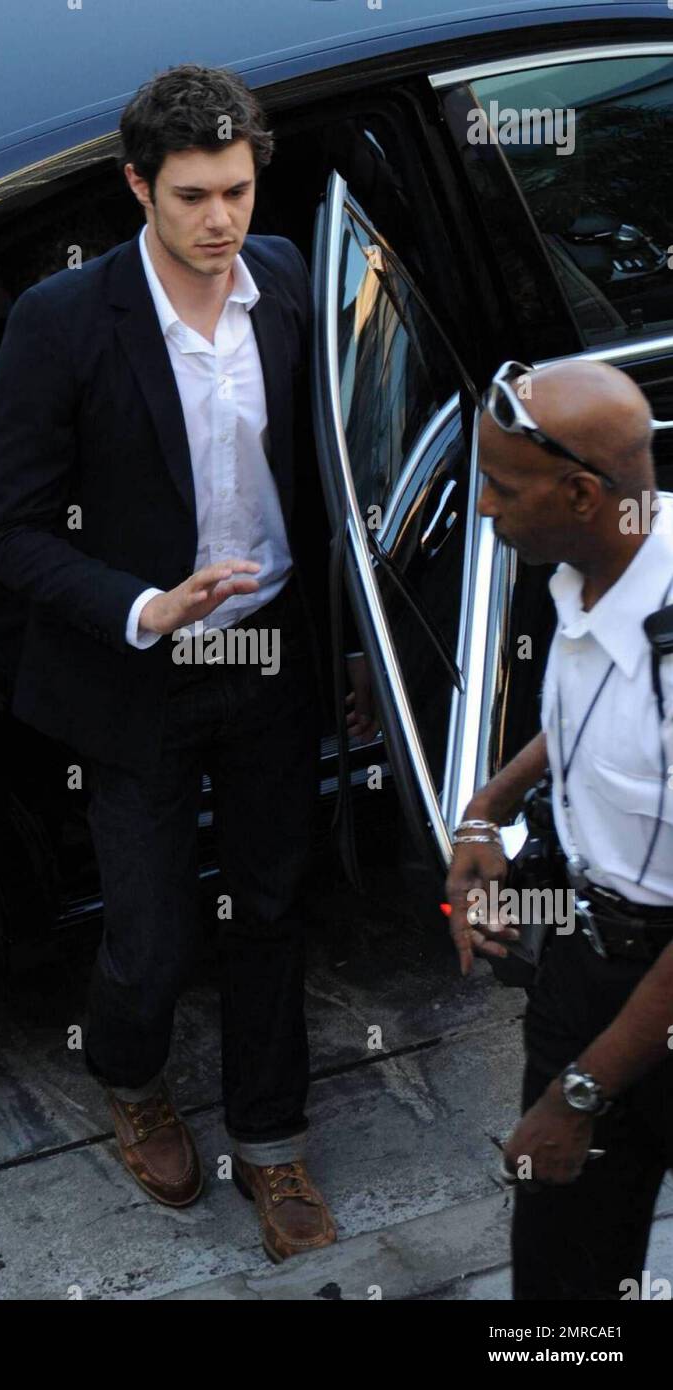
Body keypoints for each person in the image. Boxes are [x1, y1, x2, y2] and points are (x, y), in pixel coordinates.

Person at [0, 63, 375, 1263]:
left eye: (241, 191)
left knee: (270, 904)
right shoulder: (61, 322)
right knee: (148, 932)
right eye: (195, 195)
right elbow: (11, 531)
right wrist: (146, 606)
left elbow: (327, 478)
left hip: (270, 659)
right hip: (139, 672)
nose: (222, 221)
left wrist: (350, 637)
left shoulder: (294, 278)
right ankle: (133, 1079)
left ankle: (273, 1144)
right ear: (137, 187)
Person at [445, 357, 673, 1300]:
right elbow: (589, 710)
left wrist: (578, 1095)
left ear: (582, 493)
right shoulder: (598, 561)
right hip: (586, 967)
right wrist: (486, 813)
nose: (484, 509)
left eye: (501, 487)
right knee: (560, 1276)